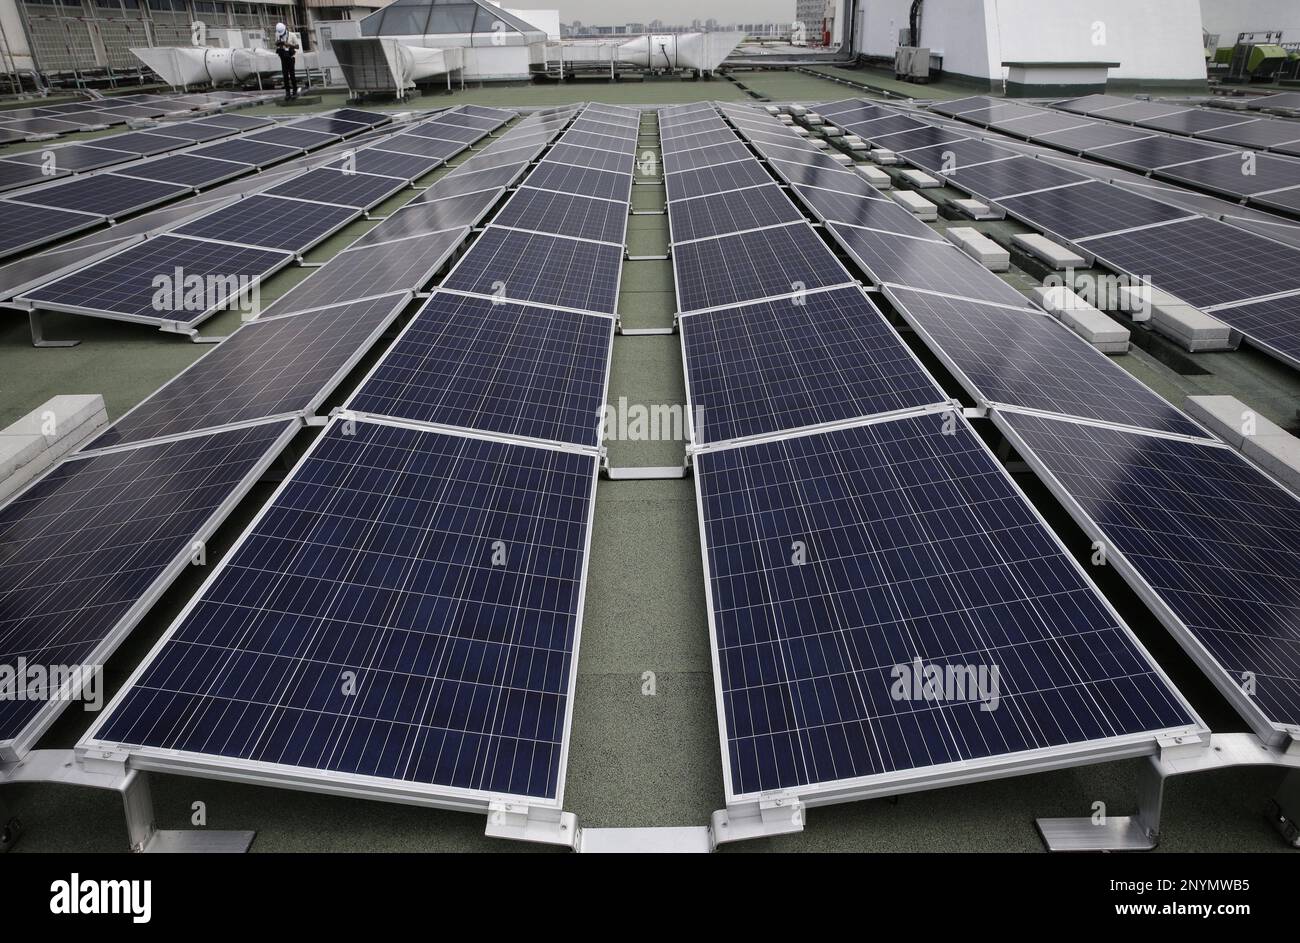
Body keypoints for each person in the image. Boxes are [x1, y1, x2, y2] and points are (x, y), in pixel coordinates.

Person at [274, 22, 299, 101]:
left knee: (292, 74)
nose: (281, 34)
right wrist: (279, 43)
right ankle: (287, 92)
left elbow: (297, 46)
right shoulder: (277, 34)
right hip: (283, 57)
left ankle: (294, 91)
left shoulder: (292, 35)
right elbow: (276, 43)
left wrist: (288, 44)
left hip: (291, 57)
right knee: (285, 75)